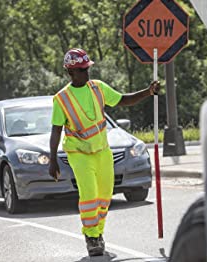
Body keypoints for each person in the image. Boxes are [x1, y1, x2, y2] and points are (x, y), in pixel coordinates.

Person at [48, 48, 161, 257]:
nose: (87, 72)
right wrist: (52, 160)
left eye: (87, 68)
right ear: (71, 73)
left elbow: (124, 100)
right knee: (89, 195)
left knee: (105, 195)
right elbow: (56, 131)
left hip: (102, 151)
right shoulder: (61, 99)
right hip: (78, 153)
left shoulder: (98, 88)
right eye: (83, 69)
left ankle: (98, 232)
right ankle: (91, 237)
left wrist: (148, 92)